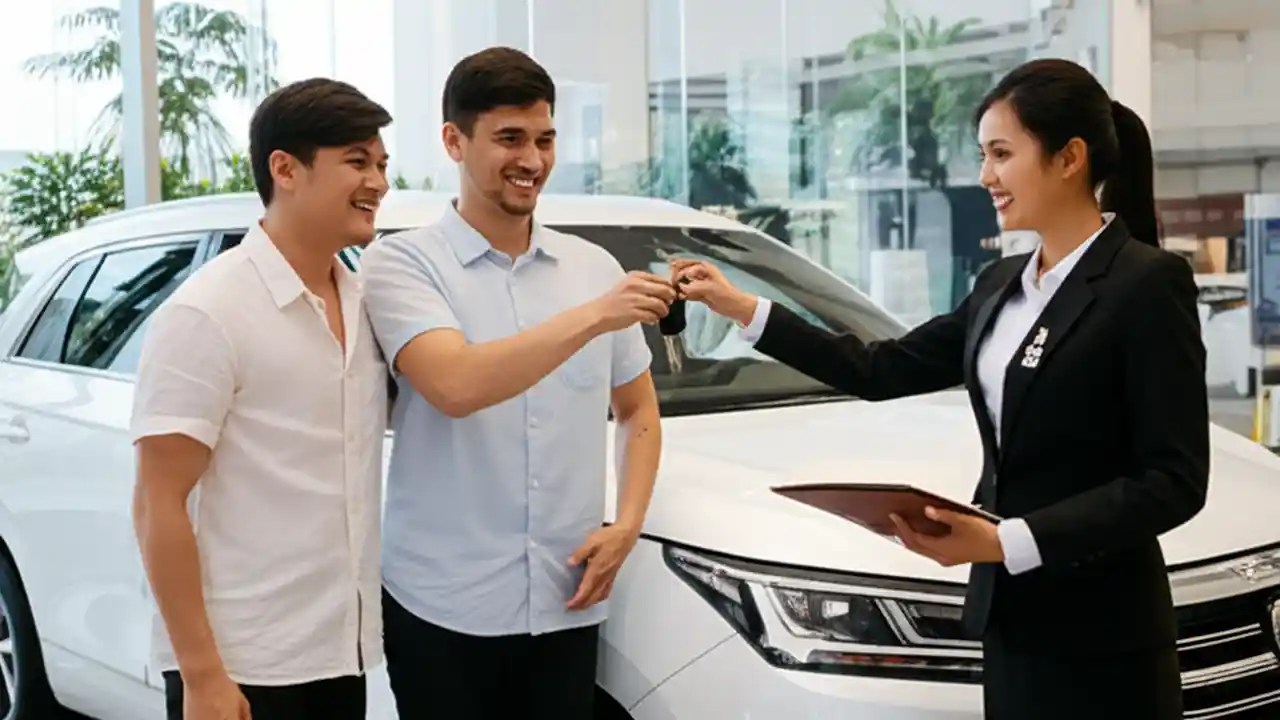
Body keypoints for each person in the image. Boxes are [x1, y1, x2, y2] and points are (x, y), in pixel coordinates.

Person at [672, 58, 1208, 719]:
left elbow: (1173, 480)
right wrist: (742, 308)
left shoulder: (1146, 284)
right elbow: (881, 369)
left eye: (1001, 154)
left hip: (1105, 636)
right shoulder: (1000, 285)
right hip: (1010, 622)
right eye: (983, 156)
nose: (985, 176)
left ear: (1070, 158)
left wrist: (1007, 541)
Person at [360, 46, 671, 719]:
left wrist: (628, 526)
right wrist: (595, 316)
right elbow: (455, 385)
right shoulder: (402, 263)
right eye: (509, 138)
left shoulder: (593, 267)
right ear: (454, 141)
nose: (532, 159)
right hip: (441, 606)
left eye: (545, 139)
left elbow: (638, 410)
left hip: (567, 599)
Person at [130, 78, 392, 720]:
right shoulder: (208, 311)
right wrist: (202, 676)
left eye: (382, 165)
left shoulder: (365, 304)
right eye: (357, 161)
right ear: (286, 169)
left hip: (339, 654)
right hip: (240, 668)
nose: (379, 183)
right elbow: (156, 502)